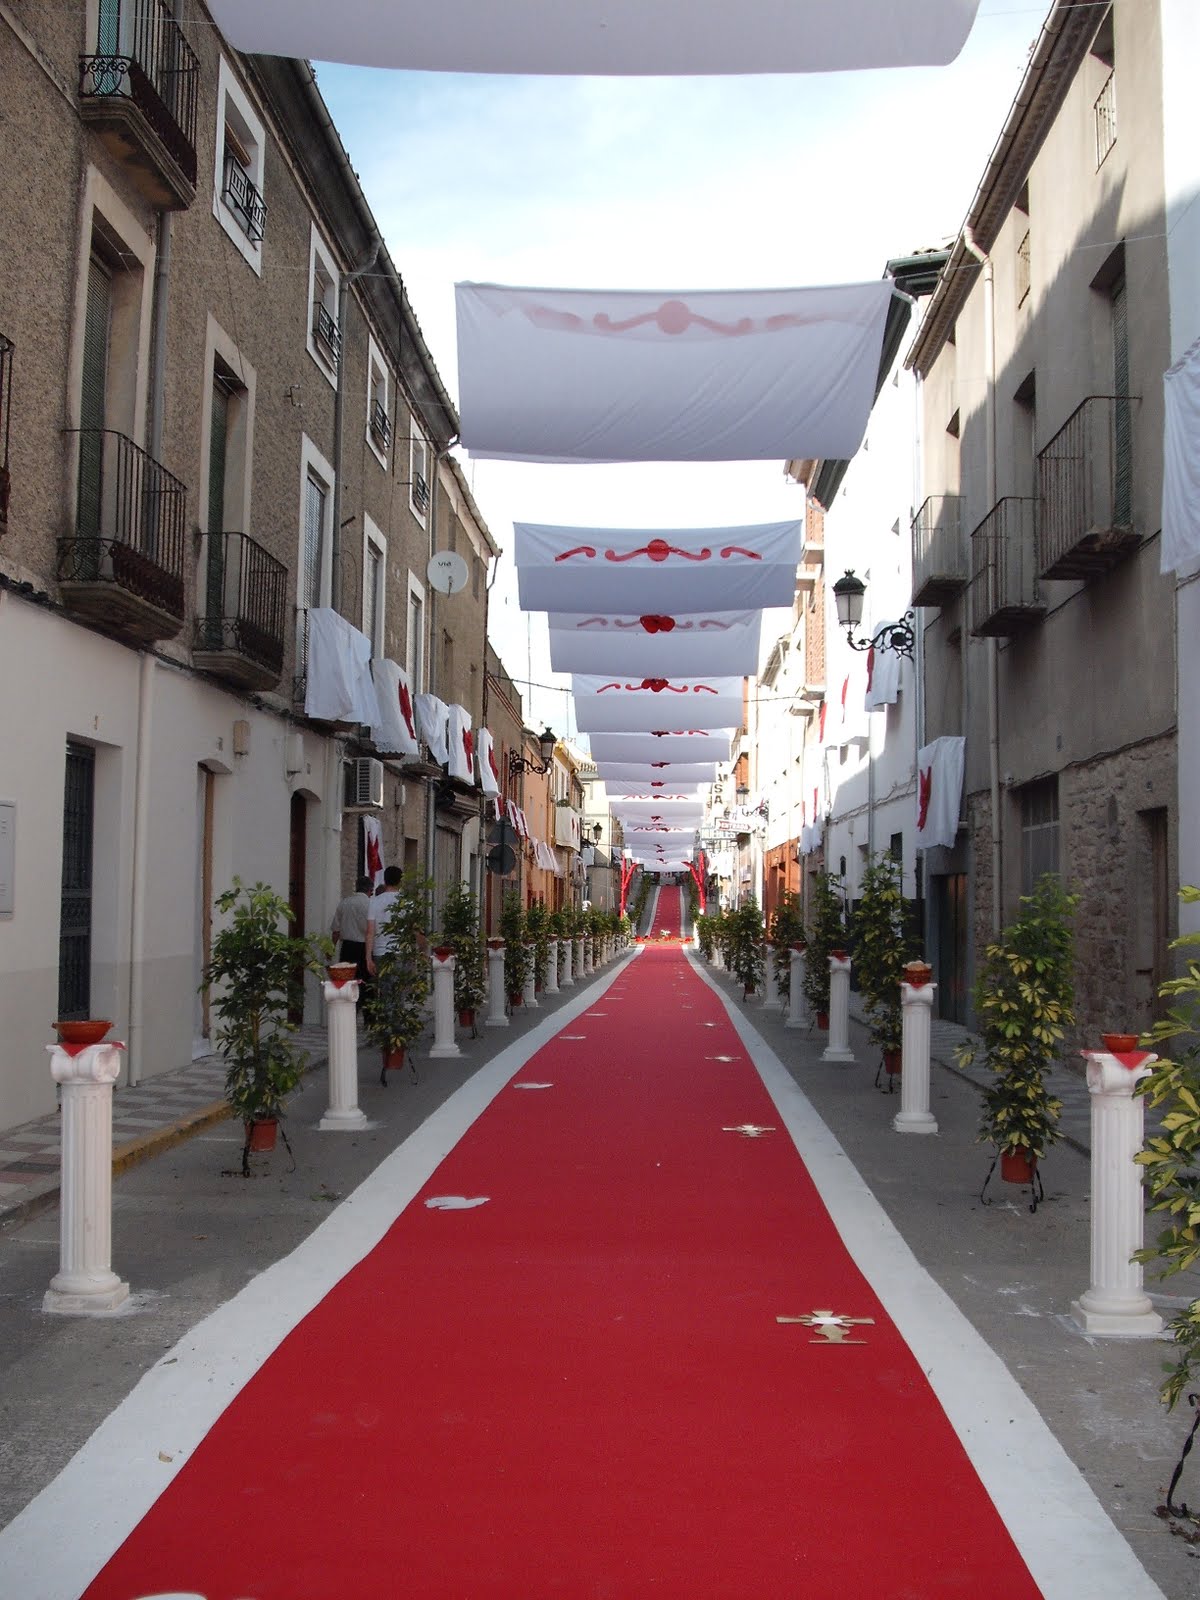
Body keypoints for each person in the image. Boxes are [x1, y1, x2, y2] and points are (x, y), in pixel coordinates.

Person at [332, 875, 373, 988]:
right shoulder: (371, 905)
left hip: (348, 948)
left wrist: (331, 949)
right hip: (366, 948)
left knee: (346, 983)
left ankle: (348, 1005)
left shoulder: (345, 903)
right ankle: (363, 1004)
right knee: (366, 984)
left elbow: (336, 929)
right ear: (370, 890)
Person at [365, 865, 404, 978]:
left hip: (380, 952)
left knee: (384, 991)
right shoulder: (407, 902)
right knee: (403, 991)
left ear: (385, 880)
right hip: (401, 952)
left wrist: (368, 958)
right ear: (400, 881)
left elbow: (370, 932)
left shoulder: (374, 902)